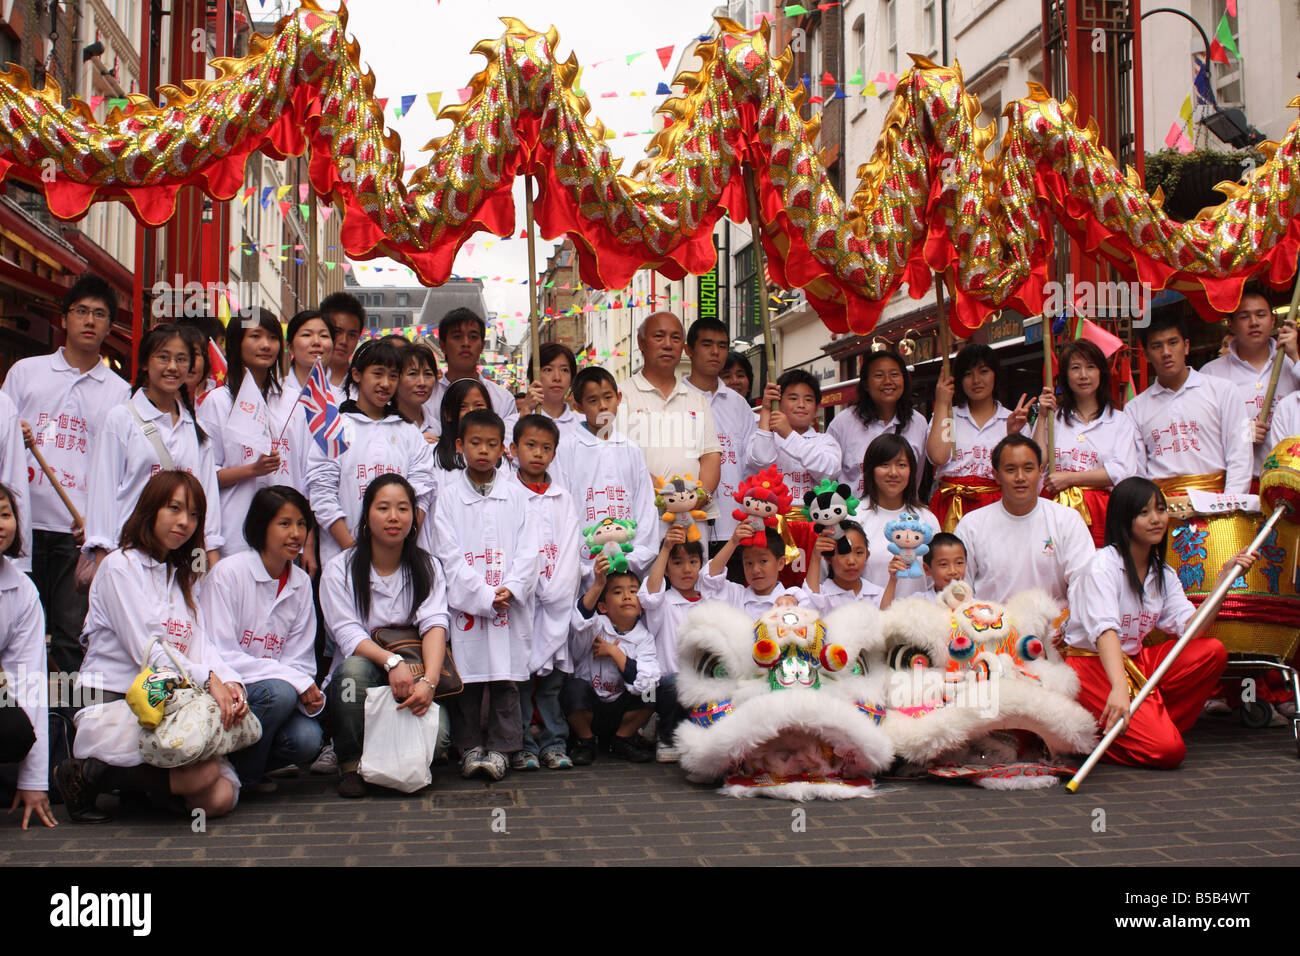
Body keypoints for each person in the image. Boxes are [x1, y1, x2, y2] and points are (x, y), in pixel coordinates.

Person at [59, 471, 244, 822]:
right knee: (203, 776)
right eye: (174, 508)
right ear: (150, 509)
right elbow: (149, 651)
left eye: (193, 515)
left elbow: (199, 645)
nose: (184, 522)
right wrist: (208, 681)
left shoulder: (179, 575)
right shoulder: (119, 567)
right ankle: (87, 773)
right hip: (112, 701)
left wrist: (230, 683)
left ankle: (145, 790)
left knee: (219, 799)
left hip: (167, 701)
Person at [1062, 476, 1255, 768]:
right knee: (1167, 752)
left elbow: (1191, 629)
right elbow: (1105, 631)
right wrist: (1117, 688)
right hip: (1092, 665)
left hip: (1135, 661)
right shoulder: (1102, 565)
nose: (1156, 520)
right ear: (1124, 520)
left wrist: (1223, 583)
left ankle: (1147, 722)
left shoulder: (1163, 573)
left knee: (1211, 651)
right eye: (1144, 513)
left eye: (1161, 510)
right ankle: (1093, 737)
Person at [4, 273, 129, 675]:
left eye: (99, 314)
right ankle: (18, 722)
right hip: (19, 527)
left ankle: (64, 729)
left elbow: (121, 468)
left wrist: (99, 525)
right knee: (15, 631)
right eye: (81, 312)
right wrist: (11, 427)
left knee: (69, 636)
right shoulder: (26, 372)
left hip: (78, 534)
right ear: (65, 318)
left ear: (110, 326)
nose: (89, 321)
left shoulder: (119, 392)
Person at [320, 474, 448, 798]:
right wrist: (392, 662)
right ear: (366, 515)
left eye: (403, 508)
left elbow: (434, 625)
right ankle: (350, 763)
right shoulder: (339, 569)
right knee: (351, 673)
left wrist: (429, 683)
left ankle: (385, 765)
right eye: (384, 508)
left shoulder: (428, 566)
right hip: (367, 667)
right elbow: (347, 633)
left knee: (441, 738)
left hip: (416, 673)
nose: (394, 517)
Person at [431, 409, 540, 782]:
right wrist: (480, 594)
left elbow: (531, 548)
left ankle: (503, 747)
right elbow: (447, 554)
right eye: (475, 443)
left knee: (505, 679)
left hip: (508, 601)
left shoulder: (516, 496)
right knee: (470, 678)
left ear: (502, 449)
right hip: (470, 606)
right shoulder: (447, 499)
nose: (483, 451)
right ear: (460, 445)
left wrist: (512, 586)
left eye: (491, 444)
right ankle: (469, 746)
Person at [200, 486, 323, 793]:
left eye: (301, 524)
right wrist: (291, 680)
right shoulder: (228, 573)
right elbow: (220, 652)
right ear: (261, 526)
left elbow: (300, 659)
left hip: (272, 695)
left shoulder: (301, 583)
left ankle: (234, 769)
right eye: (284, 524)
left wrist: (301, 686)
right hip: (226, 690)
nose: (295, 534)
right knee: (279, 693)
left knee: (308, 739)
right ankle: (244, 780)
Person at [84, 324, 223, 577]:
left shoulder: (196, 430)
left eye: (181, 359)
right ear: (145, 363)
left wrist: (208, 555)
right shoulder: (121, 418)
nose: (172, 367)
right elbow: (103, 489)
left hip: (180, 558)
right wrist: (103, 555)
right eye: (163, 357)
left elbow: (207, 498)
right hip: (128, 555)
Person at [306, 338, 436, 572]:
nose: (385, 384)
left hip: (400, 563)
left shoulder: (409, 432)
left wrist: (402, 546)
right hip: (344, 560)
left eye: (393, 376)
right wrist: (350, 548)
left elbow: (423, 490)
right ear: (356, 374)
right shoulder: (336, 429)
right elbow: (321, 492)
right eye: (377, 374)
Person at [511, 414, 581, 771]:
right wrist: (526, 587)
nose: (537, 454)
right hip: (521, 604)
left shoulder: (562, 498)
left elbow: (570, 546)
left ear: (554, 453)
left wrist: (557, 590)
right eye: (530, 445)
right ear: (513, 449)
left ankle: (554, 742)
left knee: (552, 682)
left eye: (546, 447)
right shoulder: (507, 494)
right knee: (522, 678)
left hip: (556, 601)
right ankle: (522, 743)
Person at [954, 434, 1094, 607]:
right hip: (991, 628)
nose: (1020, 477)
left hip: (1052, 629)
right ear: (996, 475)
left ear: (1040, 470)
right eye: (1011, 469)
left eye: (1028, 468)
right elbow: (960, 590)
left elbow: (1083, 582)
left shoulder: (1066, 520)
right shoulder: (972, 525)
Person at [618, 312, 722, 542]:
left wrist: (698, 496)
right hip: (643, 517)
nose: (667, 344)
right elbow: (620, 458)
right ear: (641, 343)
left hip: (693, 518)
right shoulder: (621, 396)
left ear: (683, 347)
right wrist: (666, 496)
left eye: (675, 338)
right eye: (659, 336)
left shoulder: (697, 400)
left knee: (691, 577)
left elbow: (711, 456)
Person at [1124, 313, 1252, 496]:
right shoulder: (1135, 409)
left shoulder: (1223, 391)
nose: (1166, 352)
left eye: (1173, 343)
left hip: (1217, 506)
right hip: (1163, 511)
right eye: (1157, 346)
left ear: (1186, 346)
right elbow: (1137, 470)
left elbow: (1240, 454)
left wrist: (1229, 505)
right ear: (1146, 355)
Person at [1032, 339, 1144, 546]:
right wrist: (1041, 417)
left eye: (1090, 367)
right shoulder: (1052, 419)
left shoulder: (1119, 421)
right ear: (1065, 375)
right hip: (1055, 510)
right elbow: (1038, 462)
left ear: (1101, 372)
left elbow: (1122, 471)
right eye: (1075, 368)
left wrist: (1070, 478)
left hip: (1101, 512)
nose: (1083, 375)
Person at [553, 367, 659, 585]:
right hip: (583, 568)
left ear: (619, 398)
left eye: (608, 397)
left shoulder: (631, 449)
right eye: (593, 400)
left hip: (629, 565)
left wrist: (634, 559)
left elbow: (645, 508)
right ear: (578, 406)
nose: (602, 406)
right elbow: (559, 511)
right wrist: (581, 567)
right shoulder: (565, 449)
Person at [197, 308, 284, 559]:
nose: (265, 345)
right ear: (237, 343)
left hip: (281, 534)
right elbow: (204, 474)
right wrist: (252, 470)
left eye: (272, 337)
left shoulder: (284, 401)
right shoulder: (218, 402)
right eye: (255, 336)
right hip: (234, 533)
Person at [565, 559, 660, 765]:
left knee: (651, 691)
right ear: (603, 606)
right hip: (591, 706)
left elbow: (647, 678)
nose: (627, 596)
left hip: (621, 710)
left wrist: (615, 653)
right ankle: (585, 741)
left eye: (633, 591)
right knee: (572, 688)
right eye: (617, 592)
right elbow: (580, 620)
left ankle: (622, 739)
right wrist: (598, 584)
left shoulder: (644, 638)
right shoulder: (597, 625)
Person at [1201, 287, 1300, 484]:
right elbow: (1202, 435)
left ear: (1273, 320)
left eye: (1261, 315)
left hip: (1290, 481)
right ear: (1230, 324)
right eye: (1245, 316)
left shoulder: (1291, 364)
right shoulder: (1210, 374)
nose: (1254, 322)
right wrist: (1242, 434)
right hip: (1238, 482)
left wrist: (1296, 356)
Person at [0, 484, 53, 829]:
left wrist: (34, 782)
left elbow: (29, 681)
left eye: (4, 515)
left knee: (15, 727)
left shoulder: (21, 589)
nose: (0, 523)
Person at [926, 344, 1020, 532]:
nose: (976, 380)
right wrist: (942, 403)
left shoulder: (1012, 419)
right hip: (952, 506)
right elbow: (938, 456)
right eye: (968, 374)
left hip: (996, 506)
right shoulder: (949, 416)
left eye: (984, 371)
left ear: (995, 375)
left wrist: (1012, 434)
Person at [683, 318, 756, 544]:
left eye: (722, 345)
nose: (715, 352)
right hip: (688, 526)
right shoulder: (676, 401)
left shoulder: (739, 404)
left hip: (735, 526)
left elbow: (751, 465)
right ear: (689, 350)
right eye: (707, 344)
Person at [638, 525, 703, 762]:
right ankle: (666, 737)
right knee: (677, 683)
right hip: (667, 685)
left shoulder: (709, 600)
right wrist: (665, 548)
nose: (687, 569)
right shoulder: (662, 603)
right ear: (666, 570)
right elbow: (649, 595)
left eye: (693, 562)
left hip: (701, 684)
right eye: (677, 563)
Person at [827, 349, 928, 501]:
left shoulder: (918, 422)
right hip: (854, 518)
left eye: (894, 374)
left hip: (903, 517)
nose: (888, 381)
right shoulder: (842, 423)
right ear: (866, 384)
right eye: (879, 375)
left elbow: (917, 474)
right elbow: (828, 476)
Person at [858, 433, 941, 600]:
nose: (893, 473)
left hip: (917, 618)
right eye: (884, 465)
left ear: (911, 471)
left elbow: (936, 576)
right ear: (870, 470)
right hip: (868, 618)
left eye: (901, 465)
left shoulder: (927, 519)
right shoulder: (855, 517)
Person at [746, 369, 839, 502]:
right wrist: (766, 409)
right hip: (774, 519)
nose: (801, 405)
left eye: (808, 399)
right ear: (778, 402)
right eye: (793, 398)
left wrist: (789, 435)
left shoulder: (825, 441)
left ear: (816, 408)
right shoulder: (764, 437)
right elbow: (761, 460)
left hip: (812, 519)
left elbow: (829, 472)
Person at [271, 309, 335, 497]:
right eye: (306, 335)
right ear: (290, 347)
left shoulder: (345, 401)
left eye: (324, 336)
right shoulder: (272, 396)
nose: (316, 342)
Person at [424, 308, 519, 434]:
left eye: (473, 337)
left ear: (482, 346)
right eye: (457, 337)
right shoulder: (426, 399)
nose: (466, 343)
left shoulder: (503, 399)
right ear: (442, 345)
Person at [700, 517, 806, 616]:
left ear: (781, 563)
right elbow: (709, 579)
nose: (755, 570)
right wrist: (733, 542)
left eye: (763, 561)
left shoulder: (794, 599)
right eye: (749, 563)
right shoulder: (736, 596)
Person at [804, 521, 900, 613]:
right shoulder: (821, 594)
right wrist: (815, 556)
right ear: (828, 558)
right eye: (843, 553)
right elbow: (808, 608)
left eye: (859, 553)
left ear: (867, 556)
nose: (851, 561)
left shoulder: (878, 595)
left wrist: (893, 579)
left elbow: (887, 620)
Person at [518, 342, 582, 444]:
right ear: (533, 375)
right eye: (548, 370)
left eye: (564, 370)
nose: (557, 377)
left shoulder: (584, 425)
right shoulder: (513, 423)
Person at [320, 291, 365, 399]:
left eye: (352, 335)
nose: (343, 341)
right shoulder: (301, 381)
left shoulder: (365, 387)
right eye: (337, 331)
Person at [396, 339, 441, 441]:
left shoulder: (438, 428)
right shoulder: (382, 425)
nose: (422, 383)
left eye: (428, 374)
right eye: (412, 374)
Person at [923, 532, 968, 597]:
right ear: (927, 569)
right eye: (944, 564)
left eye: (959, 563)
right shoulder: (916, 604)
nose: (953, 571)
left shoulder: (973, 605)